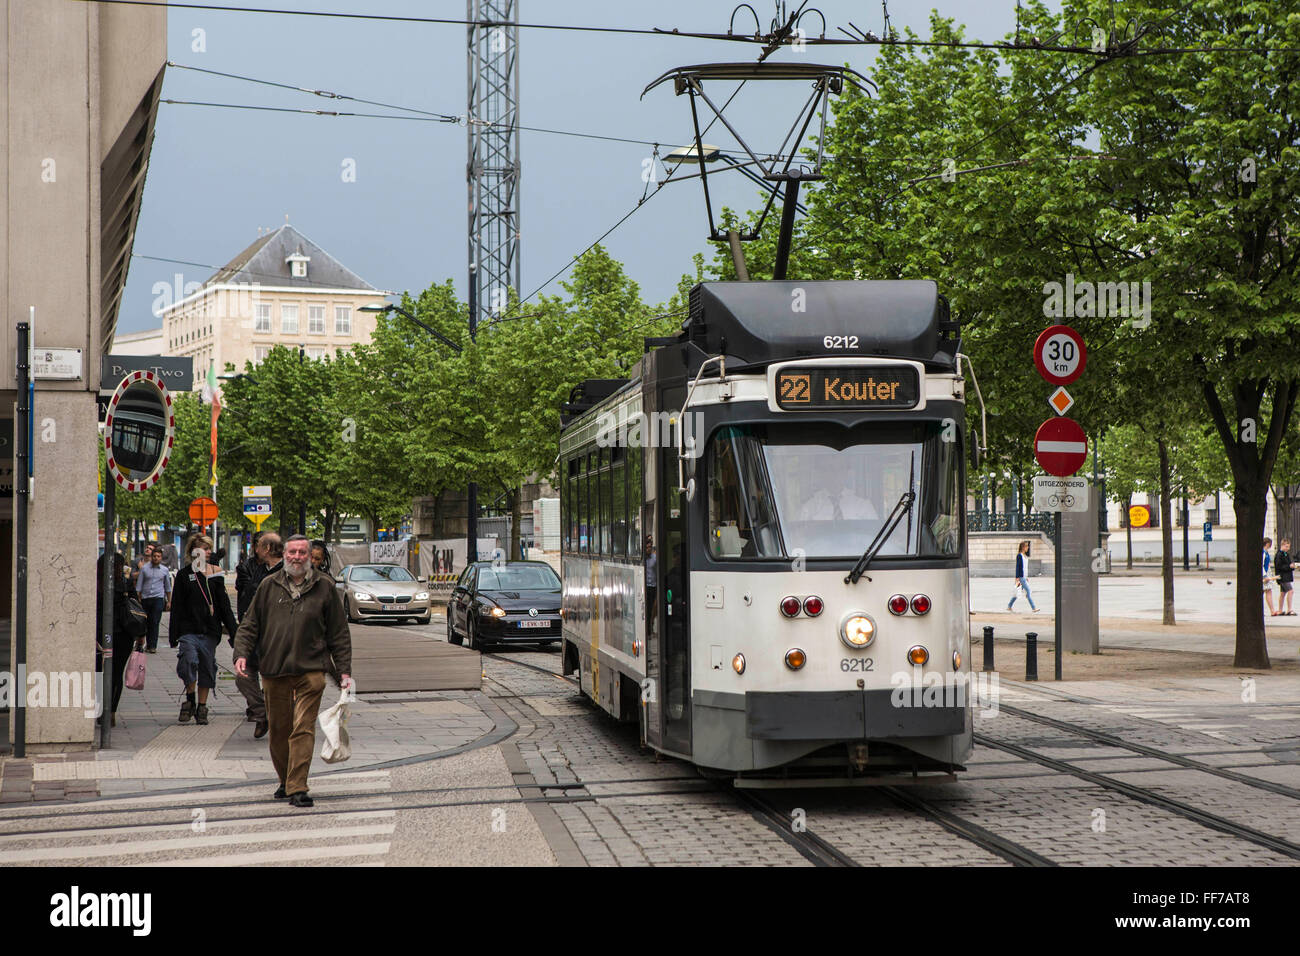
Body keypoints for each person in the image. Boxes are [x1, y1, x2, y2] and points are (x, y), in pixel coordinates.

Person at [234, 534, 353, 808]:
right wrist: (241, 654)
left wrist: (344, 671)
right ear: (284, 555)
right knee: (279, 730)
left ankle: (298, 786)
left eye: (302, 553)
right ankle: (285, 779)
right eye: (292, 552)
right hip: (274, 670)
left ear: (310, 556)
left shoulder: (325, 587)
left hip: (311, 669)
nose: (297, 557)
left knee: (303, 728)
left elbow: (339, 634)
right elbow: (250, 625)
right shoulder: (268, 585)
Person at [168, 532, 238, 725]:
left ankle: (201, 707)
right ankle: (190, 697)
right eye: (204, 549)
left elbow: (223, 605)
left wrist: (234, 631)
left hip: (210, 631)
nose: (208, 552)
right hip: (188, 630)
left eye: (209, 549)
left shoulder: (215, 574)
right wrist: (173, 635)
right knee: (188, 661)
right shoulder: (184, 575)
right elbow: (177, 607)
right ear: (193, 551)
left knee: (207, 667)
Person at [234, 531, 283, 738]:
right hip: (256, 631)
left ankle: (280, 717)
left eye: (259, 546)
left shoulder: (287, 572)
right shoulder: (259, 569)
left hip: (278, 635)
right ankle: (262, 712)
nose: (256, 550)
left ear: (268, 549)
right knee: (243, 674)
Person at [96, 551, 142, 726]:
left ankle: (103, 709)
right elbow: (136, 608)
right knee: (115, 674)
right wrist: (140, 635)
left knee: (99, 673)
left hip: (101, 633)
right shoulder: (125, 583)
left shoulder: (97, 584)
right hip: (124, 633)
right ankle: (111, 711)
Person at [135, 544, 171, 654]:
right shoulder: (144, 569)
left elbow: (167, 587)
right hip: (145, 599)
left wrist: (169, 601)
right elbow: (139, 585)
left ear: (161, 557)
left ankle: (152, 646)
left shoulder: (164, 570)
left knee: (155, 622)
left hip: (158, 598)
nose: (156, 558)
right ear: (152, 556)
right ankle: (141, 643)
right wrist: (138, 598)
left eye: (158, 556)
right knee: (144, 622)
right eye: (154, 556)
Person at [1007, 540, 1039, 612]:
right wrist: (1017, 578)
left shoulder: (1025, 556)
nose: (1028, 547)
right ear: (1023, 547)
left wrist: (1026, 577)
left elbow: (1025, 567)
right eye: (1026, 546)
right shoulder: (1019, 555)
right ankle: (1034, 608)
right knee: (1028, 591)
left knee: (1017, 593)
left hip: (1024, 577)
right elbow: (1018, 567)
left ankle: (1009, 606)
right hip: (1021, 577)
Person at [1275, 538, 1294, 615]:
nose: (1287, 549)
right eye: (1286, 546)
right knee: (1290, 591)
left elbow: (1288, 564)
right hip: (1283, 576)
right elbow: (1279, 566)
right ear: (1282, 545)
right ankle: (1289, 609)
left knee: (1283, 593)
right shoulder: (1279, 554)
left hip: (1286, 576)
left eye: (1288, 547)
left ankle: (1280, 610)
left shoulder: (1286, 554)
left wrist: (1292, 566)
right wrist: (1289, 566)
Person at [1263, 537, 1278, 617]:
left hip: (1266, 574)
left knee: (1267, 591)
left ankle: (1271, 610)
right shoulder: (1264, 553)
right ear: (1268, 544)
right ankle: (1272, 610)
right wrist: (1265, 575)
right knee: (1268, 592)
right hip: (1264, 575)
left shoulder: (1266, 552)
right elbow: (1262, 565)